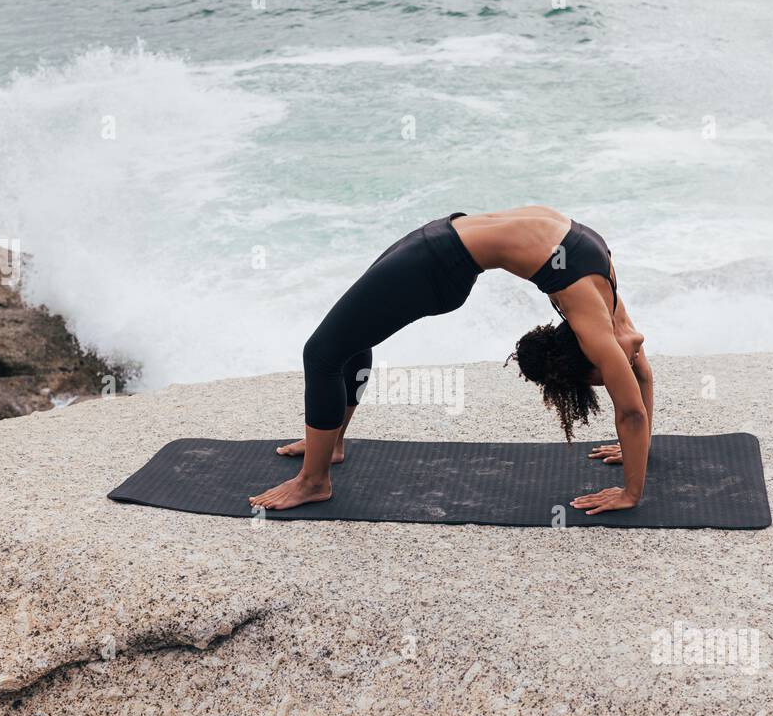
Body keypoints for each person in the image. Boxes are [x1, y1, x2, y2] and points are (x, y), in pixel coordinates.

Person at [248, 206, 652, 514]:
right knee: (347, 340)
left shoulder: (603, 295)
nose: (617, 377)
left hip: (439, 262)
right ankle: (330, 447)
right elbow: (636, 397)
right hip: (439, 244)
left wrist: (632, 480)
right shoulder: (607, 330)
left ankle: (313, 481)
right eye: (605, 378)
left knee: (320, 354)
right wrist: (632, 464)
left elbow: (636, 397)